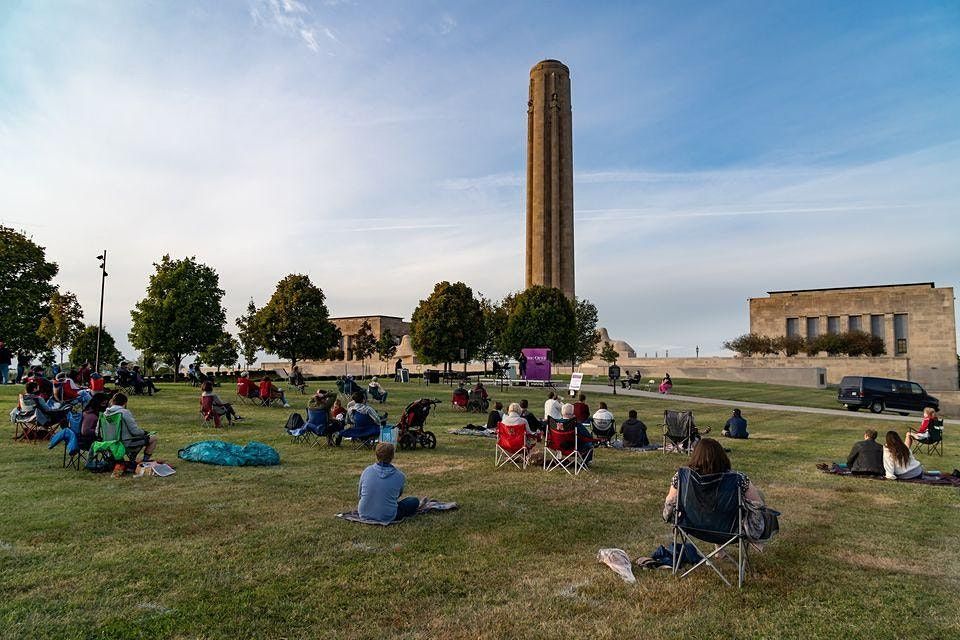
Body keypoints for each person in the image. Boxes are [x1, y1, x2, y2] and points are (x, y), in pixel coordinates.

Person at [662, 438, 777, 541]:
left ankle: (719, 551)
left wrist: (669, 518)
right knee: (759, 496)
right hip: (729, 531)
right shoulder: (738, 479)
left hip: (692, 527)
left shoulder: (682, 477)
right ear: (722, 456)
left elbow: (670, 502)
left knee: (712, 506)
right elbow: (758, 506)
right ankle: (755, 543)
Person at [358, 443, 421, 523]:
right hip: (388, 515)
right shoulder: (399, 476)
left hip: (364, 513)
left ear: (376, 455)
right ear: (392, 456)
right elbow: (397, 495)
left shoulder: (367, 471)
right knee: (414, 501)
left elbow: (359, 494)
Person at [103, 393, 158, 462]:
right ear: (125, 403)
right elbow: (135, 432)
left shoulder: (104, 414)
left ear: (112, 402)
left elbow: (98, 431)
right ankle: (145, 461)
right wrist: (145, 432)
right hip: (124, 443)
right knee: (153, 438)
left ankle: (131, 457)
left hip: (108, 443)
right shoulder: (124, 412)